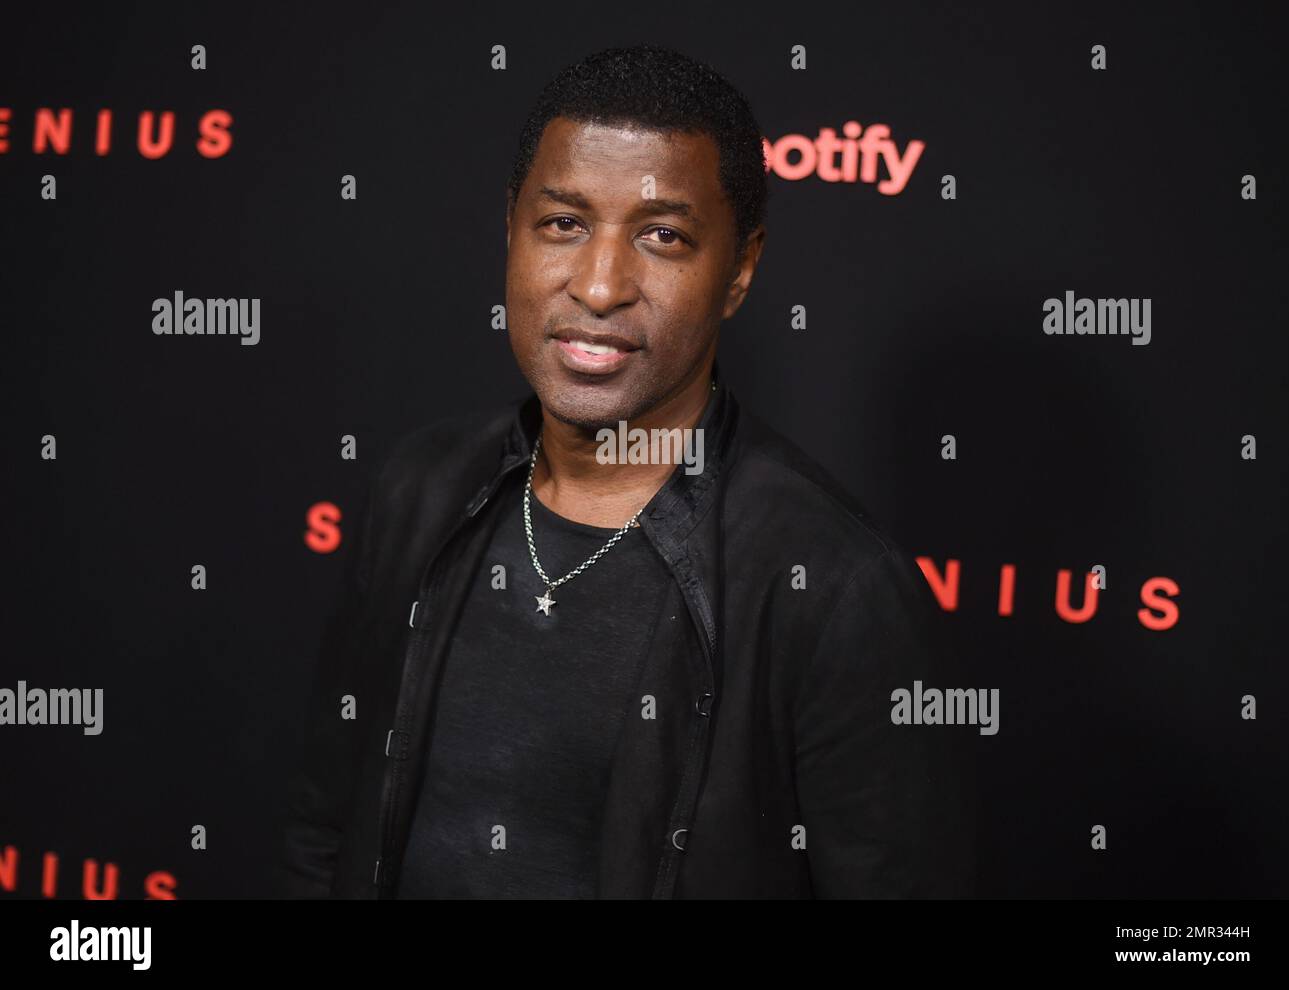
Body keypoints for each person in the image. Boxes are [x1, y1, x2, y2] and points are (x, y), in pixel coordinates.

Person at [276, 43, 972, 899]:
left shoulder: (833, 586)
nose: (600, 286)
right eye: (564, 223)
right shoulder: (420, 486)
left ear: (741, 270)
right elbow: (324, 825)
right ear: (511, 227)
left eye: (663, 237)